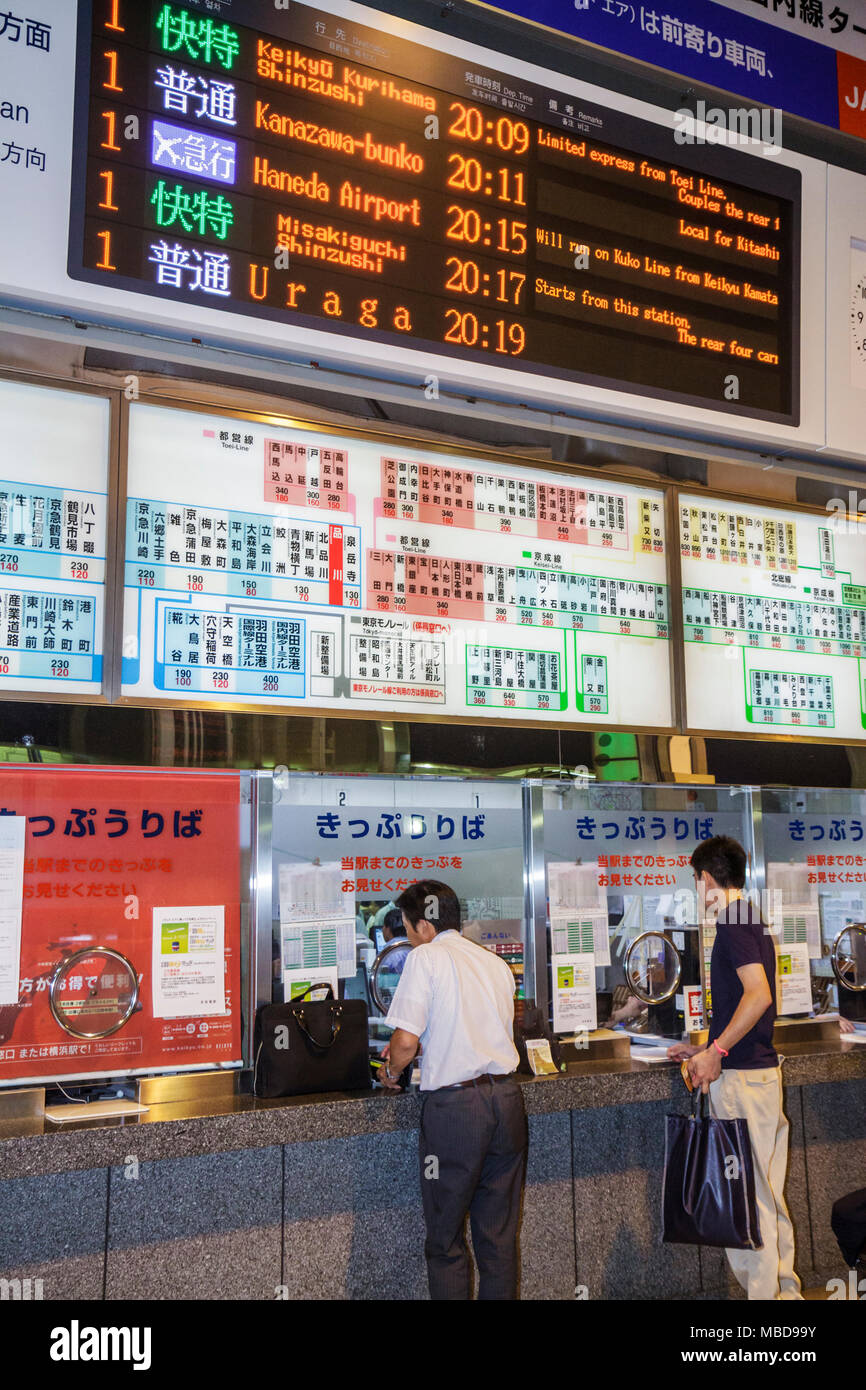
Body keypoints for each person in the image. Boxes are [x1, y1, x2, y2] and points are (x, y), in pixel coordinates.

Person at [668, 835, 803, 1301]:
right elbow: (753, 1000)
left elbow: (759, 995)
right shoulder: (752, 918)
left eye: (695, 880)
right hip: (757, 1076)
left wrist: (716, 1052)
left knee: (751, 1201)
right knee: (766, 1198)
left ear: (707, 878)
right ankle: (785, 1294)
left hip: (744, 1080)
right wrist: (704, 1046)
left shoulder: (733, 918)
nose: (697, 889)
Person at [378, 879, 527, 1300]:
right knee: (498, 1237)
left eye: (408, 927)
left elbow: (405, 1042)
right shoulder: (493, 962)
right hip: (506, 1102)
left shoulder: (425, 958)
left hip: (458, 1111)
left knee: (445, 1239)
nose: (408, 936)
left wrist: (391, 1070)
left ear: (422, 925)